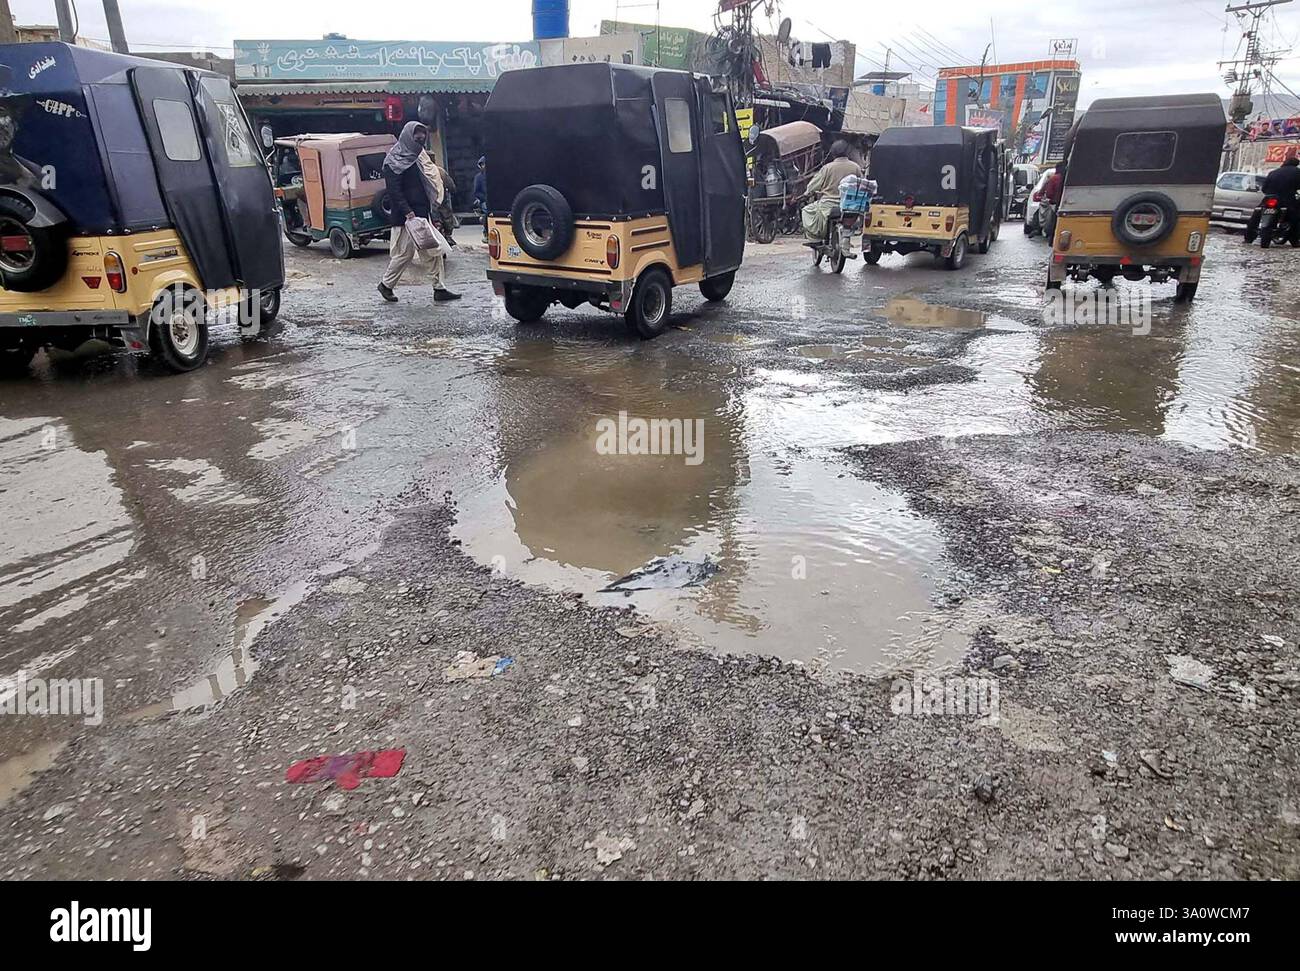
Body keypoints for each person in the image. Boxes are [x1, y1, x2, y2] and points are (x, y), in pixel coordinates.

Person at [377, 121, 459, 304]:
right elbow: (394, 191)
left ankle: (439, 288)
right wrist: (408, 212)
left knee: (433, 251)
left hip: (422, 214)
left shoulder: (418, 158)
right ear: (407, 136)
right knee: (404, 254)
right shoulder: (393, 162)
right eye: (417, 135)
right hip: (406, 218)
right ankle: (386, 285)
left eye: (423, 135)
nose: (421, 138)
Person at [801, 140, 863, 241]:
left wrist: (807, 192)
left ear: (833, 153)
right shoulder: (855, 167)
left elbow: (813, 185)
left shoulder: (827, 168)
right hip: (850, 205)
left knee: (806, 211)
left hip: (828, 205)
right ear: (847, 152)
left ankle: (815, 239)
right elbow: (862, 185)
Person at [1258, 156, 1300, 245]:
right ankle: (1294, 240)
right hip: (1287, 199)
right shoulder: (1297, 172)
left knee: (1257, 214)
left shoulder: (1273, 172)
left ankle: (1249, 237)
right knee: (1295, 218)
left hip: (1270, 198)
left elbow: (1264, 188)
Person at [473, 156, 488, 241]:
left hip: (494, 200)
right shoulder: (478, 177)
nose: (484, 166)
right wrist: (484, 199)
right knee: (488, 214)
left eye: (484, 164)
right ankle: (486, 232)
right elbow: (476, 191)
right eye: (482, 165)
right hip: (485, 200)